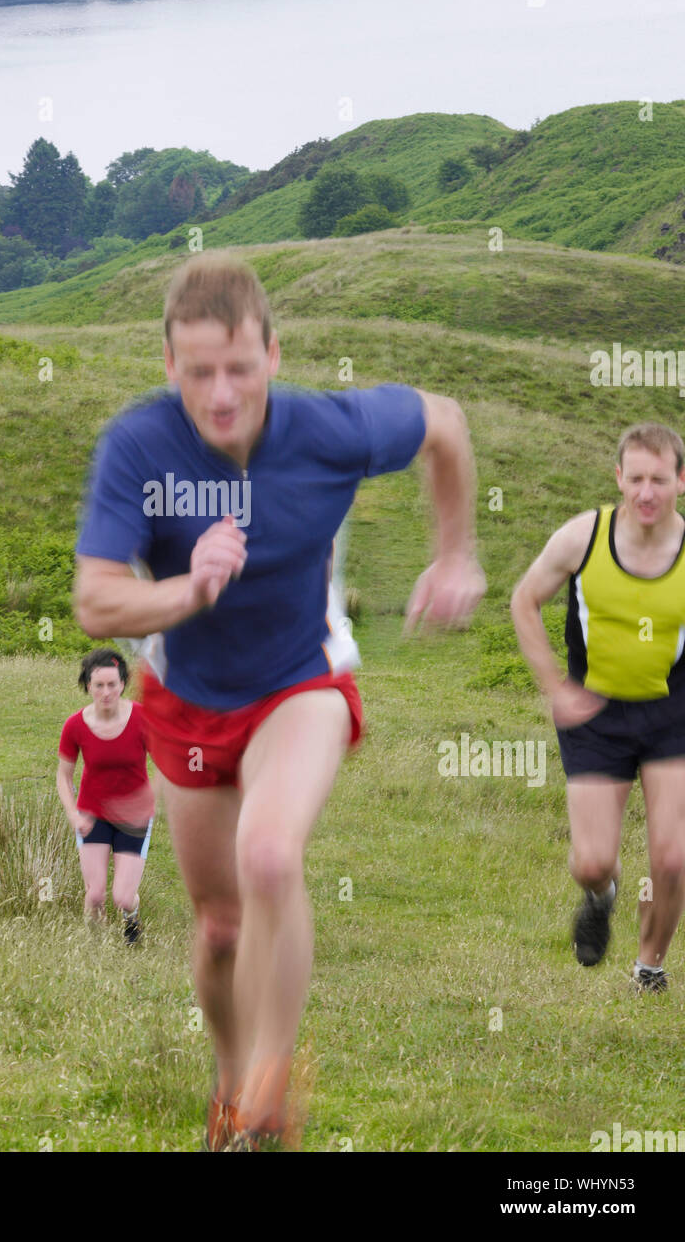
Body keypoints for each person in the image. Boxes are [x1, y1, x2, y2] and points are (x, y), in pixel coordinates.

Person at [73, 251, 485, 1149]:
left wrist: (455, 552)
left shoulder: (329, 429)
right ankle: (230, 1088)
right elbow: (96, 599)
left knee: (270, 856)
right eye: (198, 372)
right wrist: (187, 591)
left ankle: (270, 1088)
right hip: (185, 702)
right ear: (168, 367)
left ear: (274, 351)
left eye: (241, 368)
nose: (222, 394)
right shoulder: (139, 448)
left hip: (303, 681)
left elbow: (445, 425)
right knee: (219, 928)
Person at [511, 422, 685, 993]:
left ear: (680, 481)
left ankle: (650, 966)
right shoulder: (583, 537)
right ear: (618, 478)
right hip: (596, 717)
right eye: (635, 479)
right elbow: (524, 599)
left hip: (671, 717)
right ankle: (601, 894)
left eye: (659, 480)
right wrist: (554, 686)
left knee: (673, 855)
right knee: (590, 860)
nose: (646, 493)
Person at [56, 647, 155, 944]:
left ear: (123, 684)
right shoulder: (75, 725)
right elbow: (63, 776)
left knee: (123, 897)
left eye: (113, 684)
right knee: (95, 894)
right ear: (88, 686)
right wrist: (73, 814)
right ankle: (96, 949)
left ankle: (131, 922)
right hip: (91, 813)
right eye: (99, 685)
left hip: (134, 816)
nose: (106, 692)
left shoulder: (143, 719)